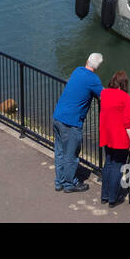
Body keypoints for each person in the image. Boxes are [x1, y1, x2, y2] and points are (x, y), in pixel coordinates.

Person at [51, 52, 103, 193]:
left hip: (58, 116)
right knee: (71, 154)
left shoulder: (77, 70)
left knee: (60, 151)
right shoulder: (93, 79)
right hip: (71, 122)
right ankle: (69, 184)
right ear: (98, 67)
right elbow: (104, 96)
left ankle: (59, 181)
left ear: (87, 61)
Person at [99, 71, 130, 207]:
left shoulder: (104, 94)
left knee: (108, 163)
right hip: (120, 138)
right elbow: (128, 123)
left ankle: (104, 196)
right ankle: (113, 198)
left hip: (107, 135)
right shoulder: (125, 98)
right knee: (117, 166)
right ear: (124, 84)